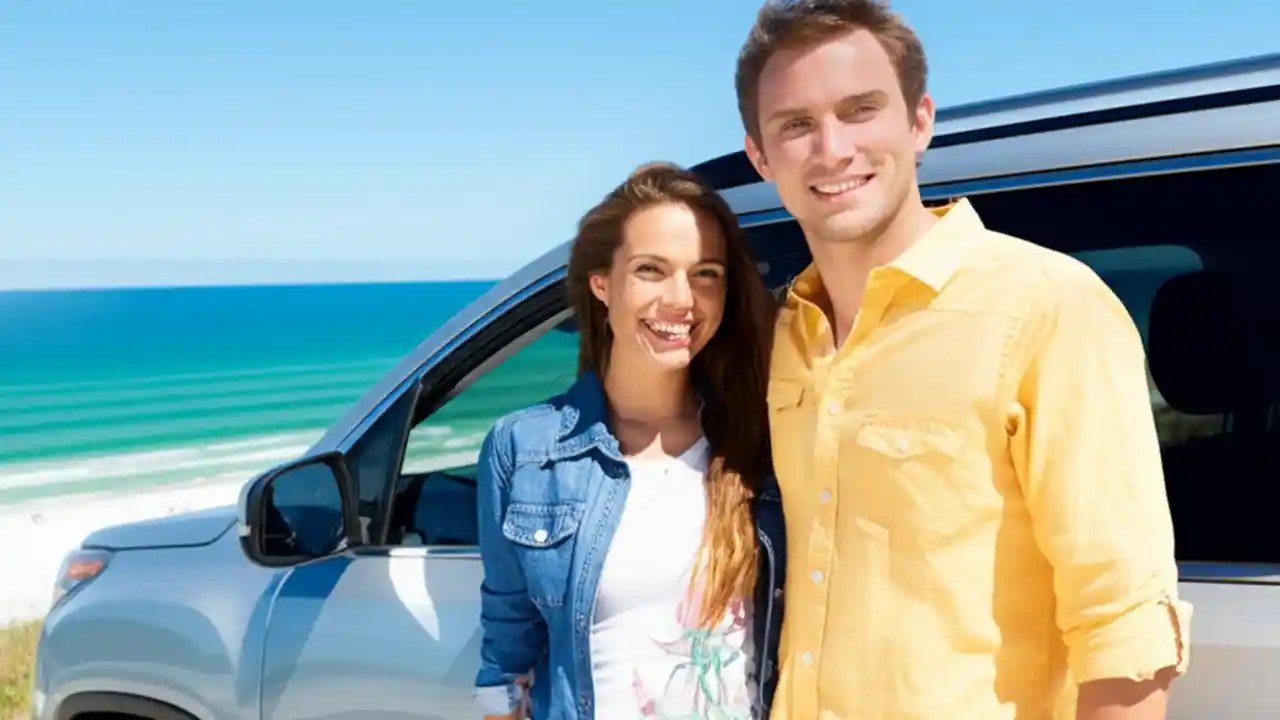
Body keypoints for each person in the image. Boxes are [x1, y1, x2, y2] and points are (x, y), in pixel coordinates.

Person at [733, 1, 1193, 718]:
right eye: (795, 125)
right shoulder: (777, 335)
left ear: (919, 122)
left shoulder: (1046, 307)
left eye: (860, 110)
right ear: (761, 156)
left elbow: (1123, 624)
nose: (831, 149)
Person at [472, 162, 787, 720]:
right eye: (651, 270)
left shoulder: (758, 441)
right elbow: (507, 654)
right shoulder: (525, 450)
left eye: (705, 273)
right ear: (602, 283)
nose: (682, 299)